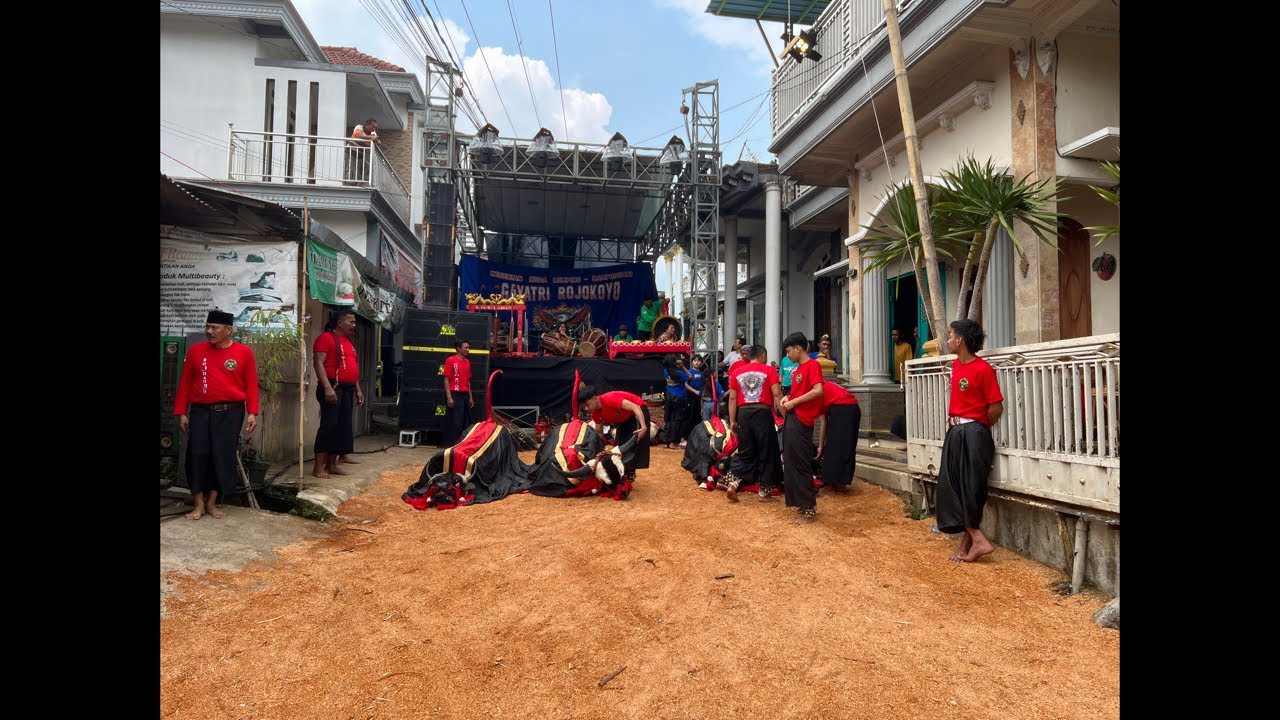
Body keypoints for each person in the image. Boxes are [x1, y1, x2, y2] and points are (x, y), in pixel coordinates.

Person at [174, 309, 260, 520]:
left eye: (214, 328)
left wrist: (253, 412)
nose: (209, 331)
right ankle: (198, 504)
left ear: (228, 330)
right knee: (197, 455)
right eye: (207, 327)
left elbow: (251, 384)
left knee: (221, 456)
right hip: (201, 412)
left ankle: (212, 502)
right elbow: (185, 383)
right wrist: (181, 412)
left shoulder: (244, 352)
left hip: (231, 413)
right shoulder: (196, 351)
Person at [936, 319, 1004, 563]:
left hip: (974, 432)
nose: (948, 340)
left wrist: (977, 427)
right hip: (955, 431)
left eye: (951, 336)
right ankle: (972, 541)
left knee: (971, 487)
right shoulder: (956, 366)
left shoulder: (983, 369)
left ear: (960, 340)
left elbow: (996, 407)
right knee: (952, 486)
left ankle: (975, 541)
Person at [725, 345, 784, 503]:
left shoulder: (737, 372)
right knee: (767, 451)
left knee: (745, 451)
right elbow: (777, 394)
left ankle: (732, 484)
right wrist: (786, 415)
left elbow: (732, 398)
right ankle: (764, 492)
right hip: (762, 413)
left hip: (743, 414)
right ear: (763, 355)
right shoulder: (769, 370)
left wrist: (732, 420)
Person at [312, 308, 364, 479]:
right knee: (329, 426)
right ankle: (318, 467)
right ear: (340, 323)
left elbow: (350, 367)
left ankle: (331, 465)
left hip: (348, 389)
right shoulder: (325, 338)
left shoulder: (348, 341)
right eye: (351, 322)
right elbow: (318, 363)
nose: (354, 325)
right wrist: (327, 387)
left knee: (342, 427)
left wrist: (357, 389)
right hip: (333, 388)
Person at [779, 332, 825, 524]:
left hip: (802, 420)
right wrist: (788, 398)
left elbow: (818, 390)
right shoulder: (798, 369)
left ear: (798, 349)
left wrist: (794, 401)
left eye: (789, 351)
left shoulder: (813, 365)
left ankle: (808, 508)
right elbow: (799, 392)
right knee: (790, 460)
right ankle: (800, 503)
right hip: (793, 417)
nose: (787, 355)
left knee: (800, 462)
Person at [578, 383, 650, 483]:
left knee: (634, 444)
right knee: (618, 447)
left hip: (638, 411)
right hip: (624, 419)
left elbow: (635, 407)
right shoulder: (595, 413)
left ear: (595, 399)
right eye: (584, 406)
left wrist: (643, 426)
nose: (586, 409)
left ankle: (629, 473)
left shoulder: (609, 399)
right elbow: (599, 433)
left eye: (587, 405)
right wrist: (601, 450)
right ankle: (622, 472)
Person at [814, 382, 861, 492]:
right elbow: (824, 422)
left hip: (844, 408)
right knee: (837, 446)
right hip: (848, 408)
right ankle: (834, 481)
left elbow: (823, 422)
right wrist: (821, 446)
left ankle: (838, 483)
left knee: (840, 447)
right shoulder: (820, 386)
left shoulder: (815, 390)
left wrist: (821, 446)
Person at [441, 340, 475, 446]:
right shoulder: (450, 360)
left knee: (466, 420)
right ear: (458, 348)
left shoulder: (467, 362)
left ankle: (463, 444)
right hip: (455, 394)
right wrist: (449, 397)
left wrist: (470, 397)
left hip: (465, 395)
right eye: (466, 347)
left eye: (468, 347)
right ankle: (452, 444)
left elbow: (468, 381)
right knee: (456, 421)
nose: (468, 350)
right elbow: (446, 379)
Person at [660, 356, 689, 449]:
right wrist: (682, 366)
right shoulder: (679, 373)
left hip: (668, 396)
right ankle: (673, 442)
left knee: (668, 419)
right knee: (676, 420)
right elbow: (691, 377)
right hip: (678, 397)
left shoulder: (665, 371)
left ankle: (666, 442)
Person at [347, 117, 380, 184]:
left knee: (365, 168)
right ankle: (351, 184)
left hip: (360, 155)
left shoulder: (373, 132)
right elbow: (358, 136)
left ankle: (362, 183)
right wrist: (370, 138)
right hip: (351, 151)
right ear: (367, 125)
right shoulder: (359, 127)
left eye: (375, 127)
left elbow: (376, 143)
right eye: (373, 127)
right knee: (352, 170)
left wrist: (375, 140)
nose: (374, 129)